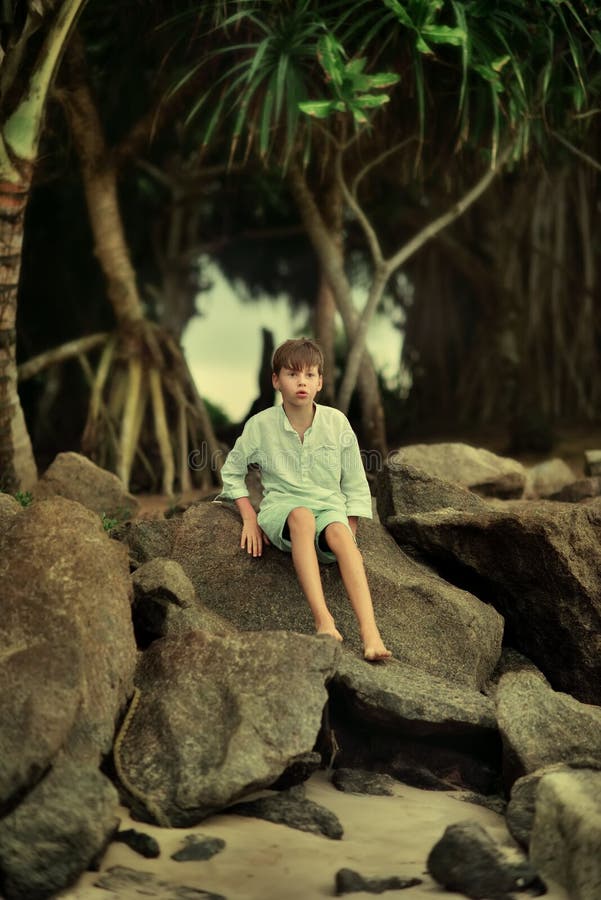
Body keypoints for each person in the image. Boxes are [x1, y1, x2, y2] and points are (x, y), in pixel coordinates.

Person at [217, 337, 391, 662]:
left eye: (310, 375)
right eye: (293, 374)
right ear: (276, 380)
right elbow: (231, 473)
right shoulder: (260, 426)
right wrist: (249, 518)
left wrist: (349, 530)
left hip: (328, 508)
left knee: (339, 534)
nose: (302, 382)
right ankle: (324, 621)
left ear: (320, 382)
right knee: (302, 516)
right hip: (283, 509)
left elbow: (354, 482)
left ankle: (371, 633)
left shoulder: (337, 423)